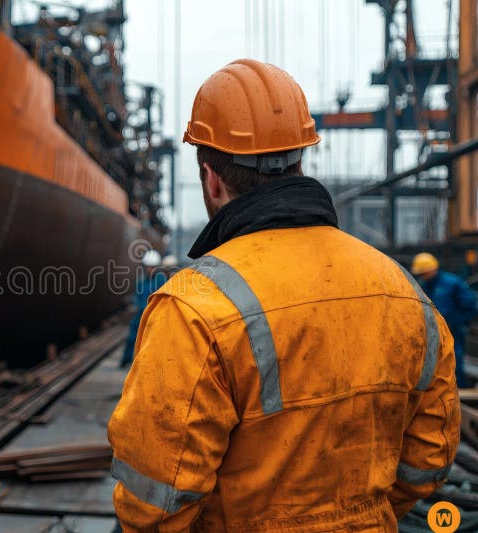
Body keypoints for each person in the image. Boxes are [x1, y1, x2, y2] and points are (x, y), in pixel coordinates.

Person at [107, 59, 459, 531]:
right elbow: (430, 459)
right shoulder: (406, 293)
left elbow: (152, 506)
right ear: (300, 160)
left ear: (210, 178)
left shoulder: (194, 307)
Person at [412, 251, 477, 388]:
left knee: (454, 357)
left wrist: (458, 321)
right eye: (421, 274)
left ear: (433, 269)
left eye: (425, 273)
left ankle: (459, 386)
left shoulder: (452, 283)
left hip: (453, 329)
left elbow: (470, 304)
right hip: (430, 331)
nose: (423, 276)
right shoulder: (422, 284)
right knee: (431, 359)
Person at [120, 249, 166, 368]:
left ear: (156, 267)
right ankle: (126, 361)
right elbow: (138, 296)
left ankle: (148, 364)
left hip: (154, 317)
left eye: (152, 267)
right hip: (140, 315)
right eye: (148, 267)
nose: (149, 269)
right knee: (132, 338)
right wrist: (134, 304)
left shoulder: (161, 281)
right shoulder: (142, 281)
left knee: (151, 342)